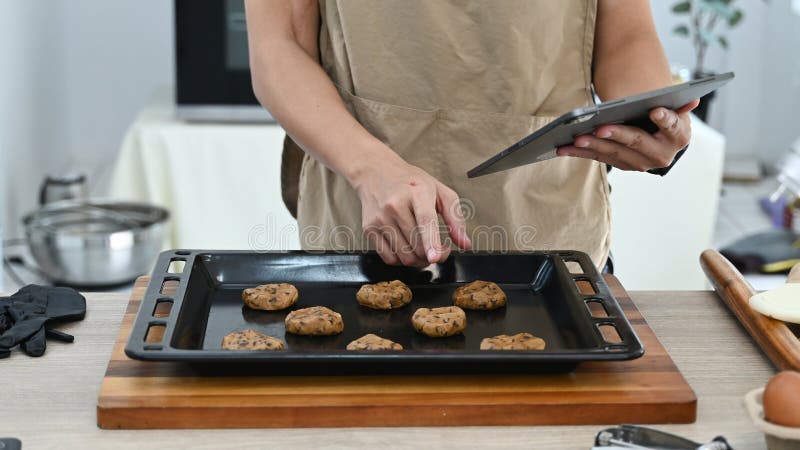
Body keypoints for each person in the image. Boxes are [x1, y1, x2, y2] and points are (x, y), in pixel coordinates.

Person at [245, 0, 698, 269]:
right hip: (366, 223)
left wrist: (647, 115)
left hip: (547, 224)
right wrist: (370, 168)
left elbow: (626, 33)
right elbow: (278, 46)